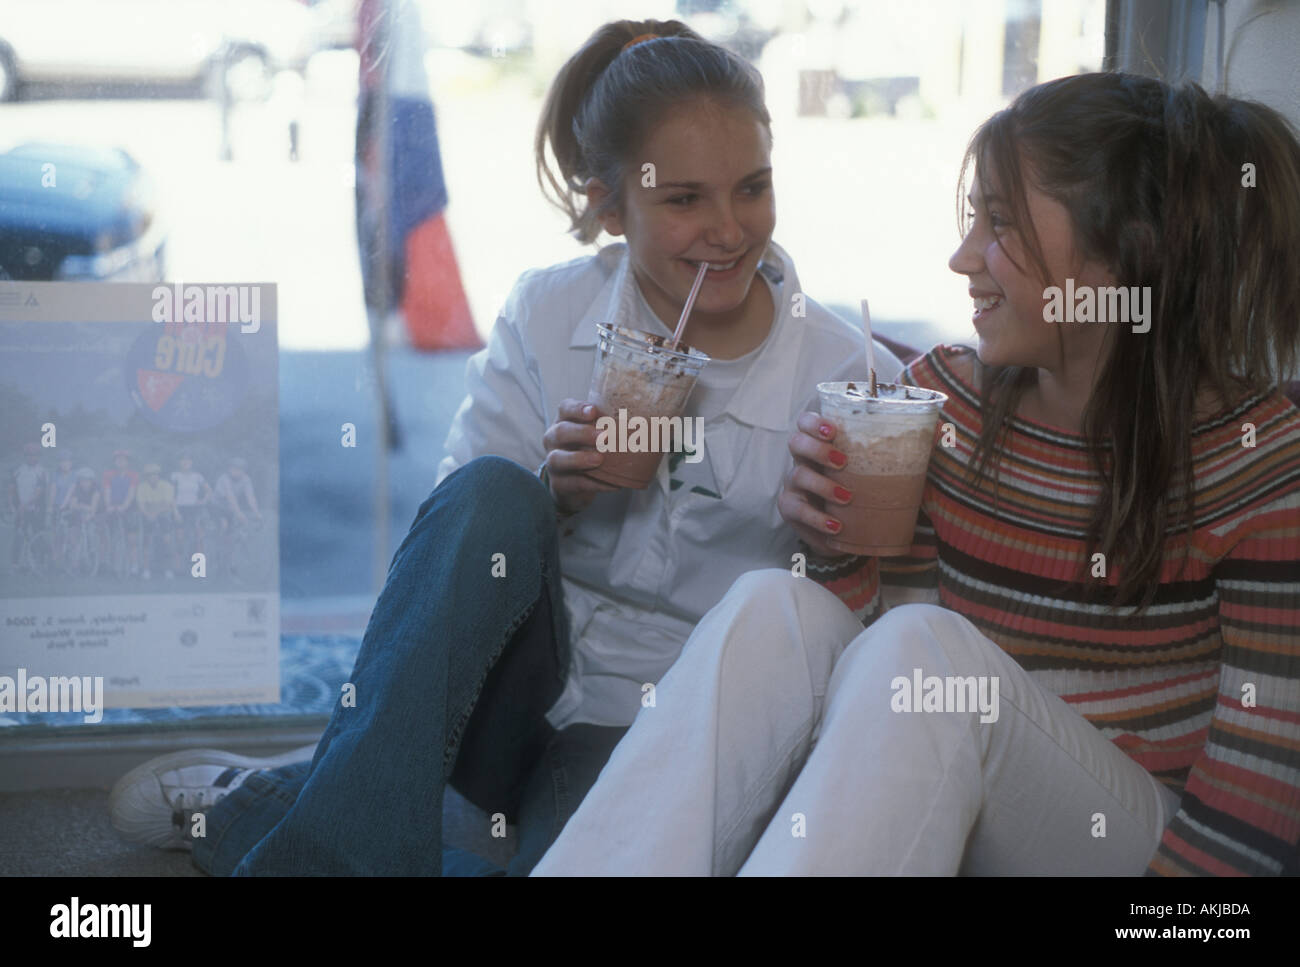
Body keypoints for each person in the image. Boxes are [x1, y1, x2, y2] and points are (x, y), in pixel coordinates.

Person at [107, 19, 904, 876]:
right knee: (494, 492)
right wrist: (553, 495)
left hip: (666, 731)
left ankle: (287, 806)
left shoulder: (852, 378)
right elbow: (444, 550)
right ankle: (361, 798)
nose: (728, 229)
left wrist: (832, 556)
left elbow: (880, 644)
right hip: (507, 695)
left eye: (751, 188)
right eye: (683, 199)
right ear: (608, 204)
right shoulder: (551, 311)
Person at [532, 72, 1300, 877]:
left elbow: (1258, 795)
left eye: (999, 224)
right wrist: (830, 540)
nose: (962, 257)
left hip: (1139, 853)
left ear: (1123, 255)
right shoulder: (948, 401)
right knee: (776, 604)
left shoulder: (1263, 461)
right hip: (963, 814)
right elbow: (869, 678)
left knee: (930, 654)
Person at [135, 463, 179, 580]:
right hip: (147, 515)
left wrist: (154, 513)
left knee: (167, 541)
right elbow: (141, 504)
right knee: (147, 542)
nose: (153, 477)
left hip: (163, 515)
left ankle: (168, 569)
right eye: (150, 475)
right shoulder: (142, 487)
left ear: (159, 475)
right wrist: (148, 514)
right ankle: (146, 569)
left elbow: (167, 504)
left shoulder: (166, 486)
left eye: (155, 475)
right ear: (146, 477)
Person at [9, 442, 48, 570]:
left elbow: (39, 492)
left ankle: (39, 563)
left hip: (36, 510)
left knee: (38, 536)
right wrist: (12, 506)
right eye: (29, 455)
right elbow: (12, 489)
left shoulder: (42, 471)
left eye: (35, 455)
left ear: (39, 457)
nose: (32, 457)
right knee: (19, 535)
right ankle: (16, 564)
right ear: (25, 456)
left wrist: (26, 505)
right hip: (20, 509)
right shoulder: (18, 470)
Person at [101, 449, 139, 576]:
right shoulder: (108, 474)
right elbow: (107, 491)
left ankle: (133, 566)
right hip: (112, 508)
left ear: (128, 462)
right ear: (115, 462)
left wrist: (124, 506)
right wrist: (108, 506)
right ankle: (110, 565)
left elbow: (131, 492)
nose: (121, 462)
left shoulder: (133, 475)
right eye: (118, 459)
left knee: (131, 540)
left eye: (124, 460)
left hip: (129, 509)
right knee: (109, 538)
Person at [170, 452, 211, 558]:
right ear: (179, 462)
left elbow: (209, 490)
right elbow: (171, 495)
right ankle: (179, 567)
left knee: (199, 537)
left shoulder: (198, 476)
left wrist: (203, 500)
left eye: (188, 460)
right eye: (183, 460)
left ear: (192, 462)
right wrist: (175, 511)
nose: (185, 462)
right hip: (180, 508)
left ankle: (199, 569)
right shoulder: (175, 476)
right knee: (179, 538)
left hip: (195, 509)